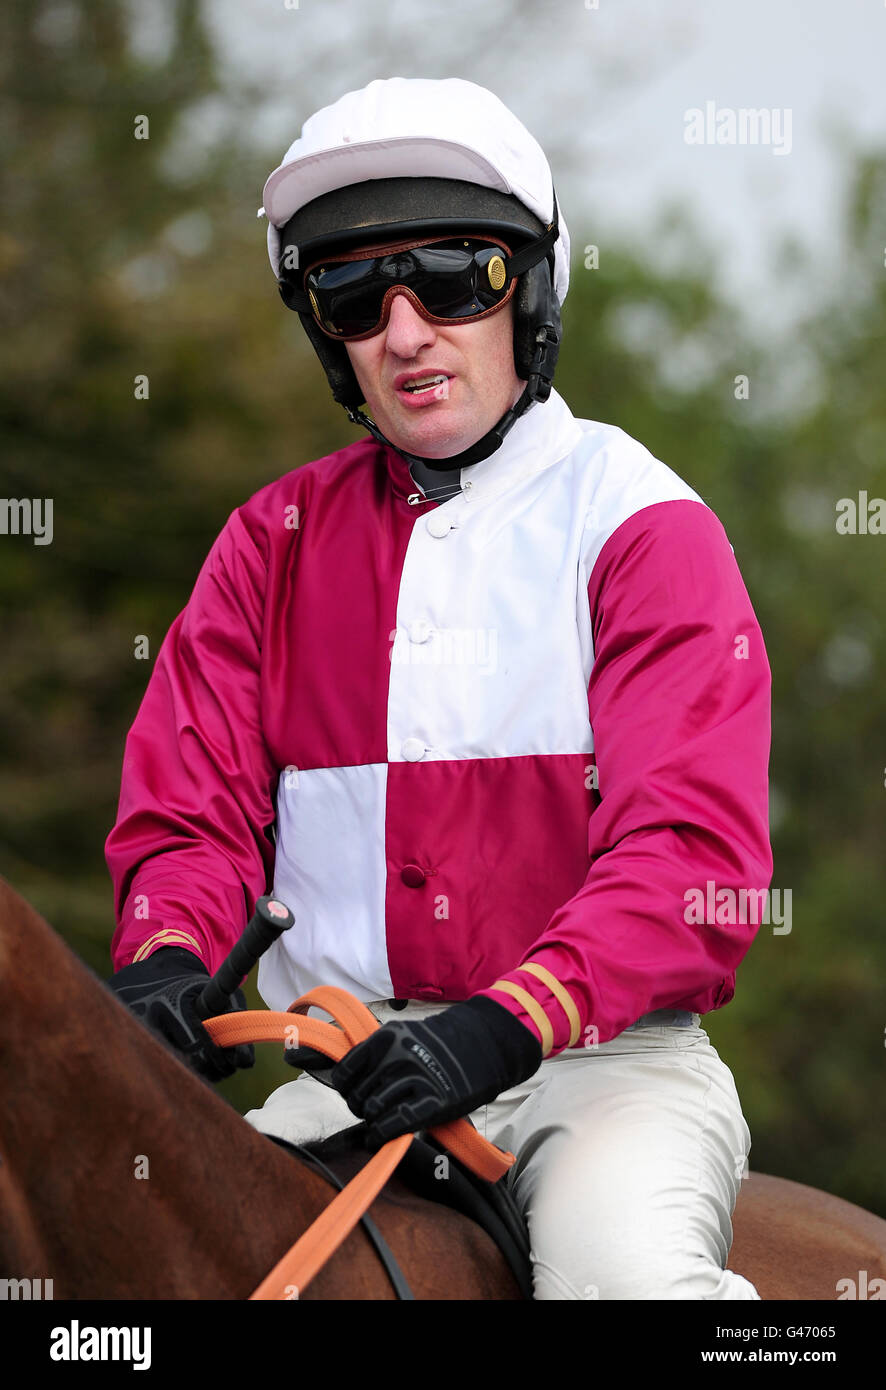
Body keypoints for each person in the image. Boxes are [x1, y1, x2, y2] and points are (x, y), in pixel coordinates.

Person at [105, 76, 772, 1300]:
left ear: (531, 289)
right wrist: (164, 956)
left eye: (454, 279)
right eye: (356, 296)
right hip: (340, 1076)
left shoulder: (643, 527)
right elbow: (189, 820)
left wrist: (503, 1021)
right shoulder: (269, 543)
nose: (405, 330)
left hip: (598, 1071)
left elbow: (691, 859)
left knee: (622, 1289)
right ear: (329, 336)